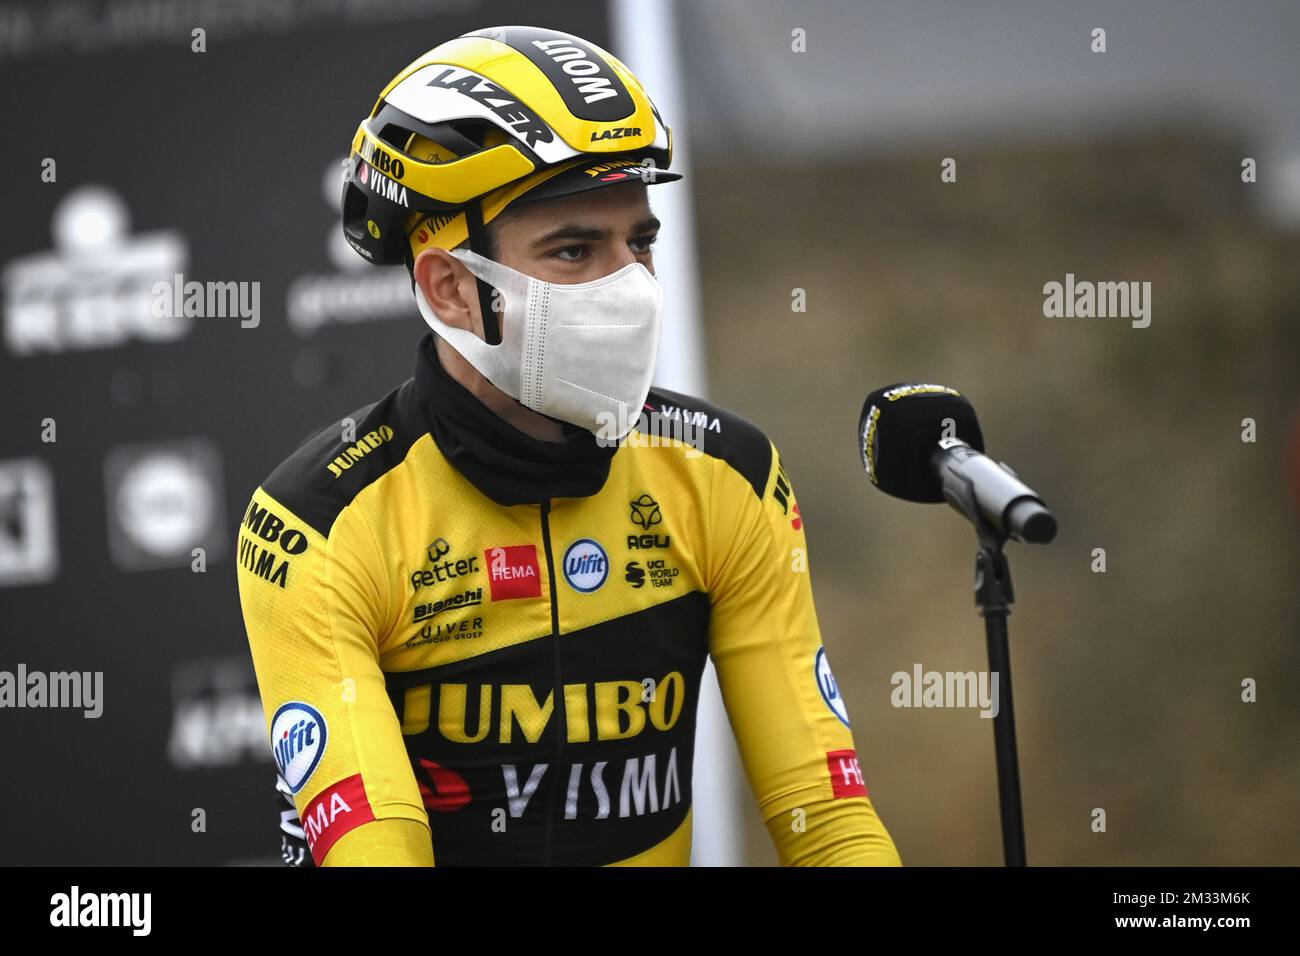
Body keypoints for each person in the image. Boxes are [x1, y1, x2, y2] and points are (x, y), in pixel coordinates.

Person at [236, 24, 901, 867]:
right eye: (576, 249)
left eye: (642, 242)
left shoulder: (724, 476)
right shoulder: (320, 521)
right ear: (451, 288)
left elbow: (826, 817)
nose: (632, 287)